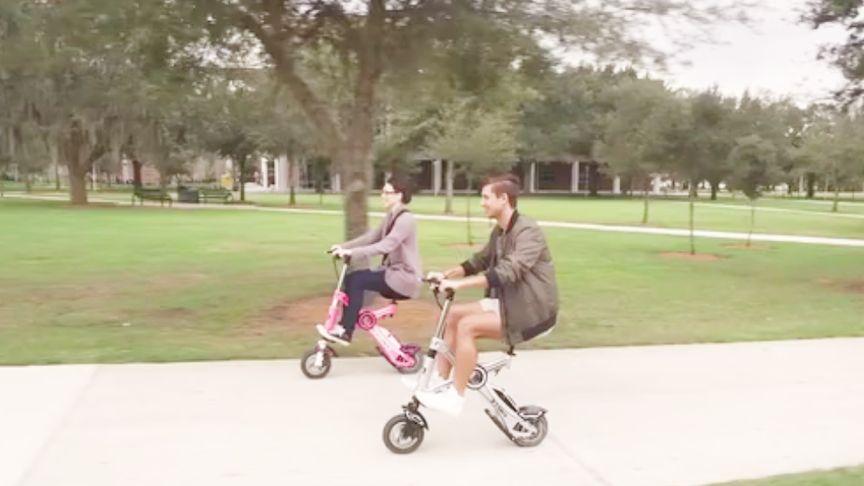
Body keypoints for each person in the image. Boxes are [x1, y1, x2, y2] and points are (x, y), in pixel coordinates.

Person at [417, 174, 558, 416]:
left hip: (531, 311)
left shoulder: (528, 231)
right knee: (451, 316)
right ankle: (441, 383)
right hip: (507, 303)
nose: (481, 203)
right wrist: (446, 275)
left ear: (503, 199)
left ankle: (456, 397)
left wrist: (459, 286)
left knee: (467, 326)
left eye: (485, 197)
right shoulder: (501, 231)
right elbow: (480, 261)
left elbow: (509, 271)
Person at [318, 175, 421, 345]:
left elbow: (386, 245)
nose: (383, 196)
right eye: (383, 192)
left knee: (357, 280)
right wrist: (343, 247)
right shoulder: (391, 216)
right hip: (393, 274)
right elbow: (371, 237)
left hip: (404, 278)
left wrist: (352, 253)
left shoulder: (405, 219)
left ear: (399, 195)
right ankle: (344, 327)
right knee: (352, 278)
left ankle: (346, 330)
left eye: (387, 193)